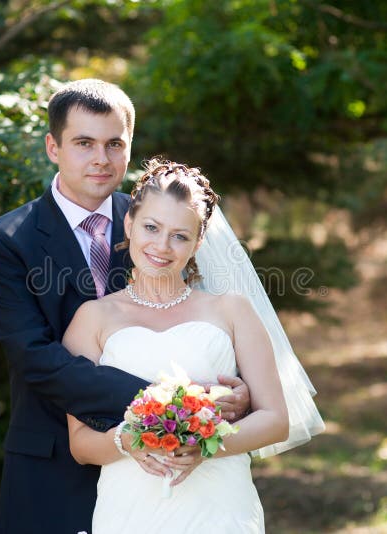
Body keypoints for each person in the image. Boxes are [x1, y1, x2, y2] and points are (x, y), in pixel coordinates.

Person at [0, 79, 250, 534]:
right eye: (84, 143)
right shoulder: (5, 242)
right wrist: (171, 405)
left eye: (114, 144)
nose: (101, 159)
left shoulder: (161, 220)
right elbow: (36, 360)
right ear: (52, 147)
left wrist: (235, 394)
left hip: (174, 473)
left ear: (129, 147)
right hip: (55, 461)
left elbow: (206, 321)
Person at [62, 159, 291, 533]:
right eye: (151, 227)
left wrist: (206, 446)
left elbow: (275, 421)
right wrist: (128, 441)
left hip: (221, 507)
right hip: (130, 508)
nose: (162, 246)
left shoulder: (232, 310)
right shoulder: (92, 319)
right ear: (129, 224)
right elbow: (81, 444)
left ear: (198, 242)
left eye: (180, 235)